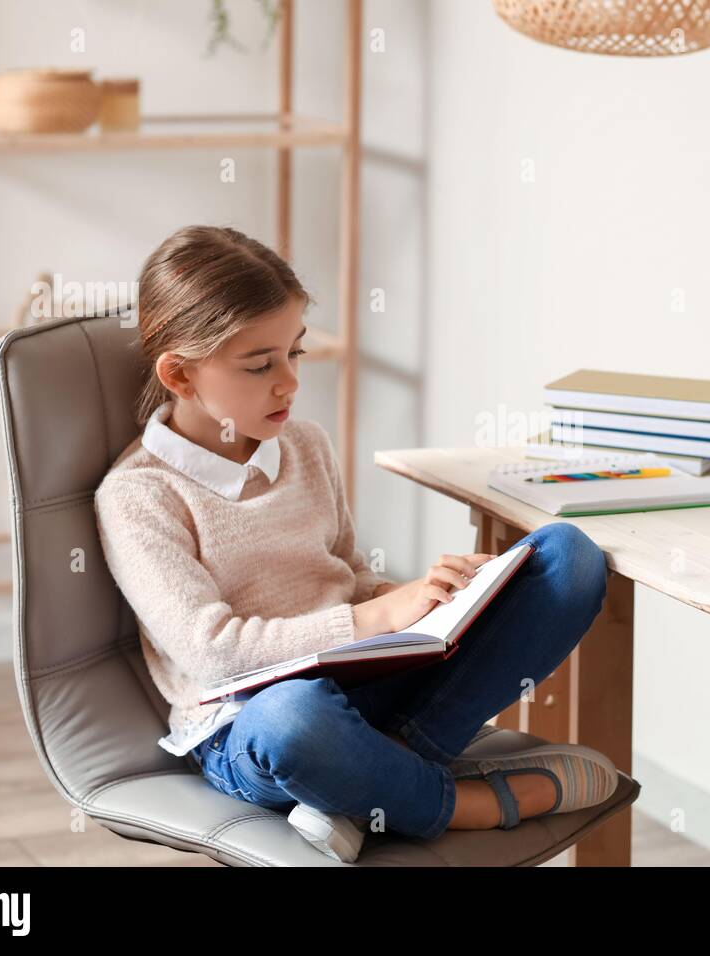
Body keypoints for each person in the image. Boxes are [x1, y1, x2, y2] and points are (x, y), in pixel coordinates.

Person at [93, 225, 619, 862]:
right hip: (250, 726)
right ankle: (461, 804)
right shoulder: (138, 496)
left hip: (369, 681)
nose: (288, 382)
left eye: (296, 353)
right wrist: (375, 614)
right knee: (293, 718)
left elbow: (344, 579)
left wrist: (426, 597)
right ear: (178, 373)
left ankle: (363, 784)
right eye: (260, 364)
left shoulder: (305, 446)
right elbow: (213, 655)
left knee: (567, 556)